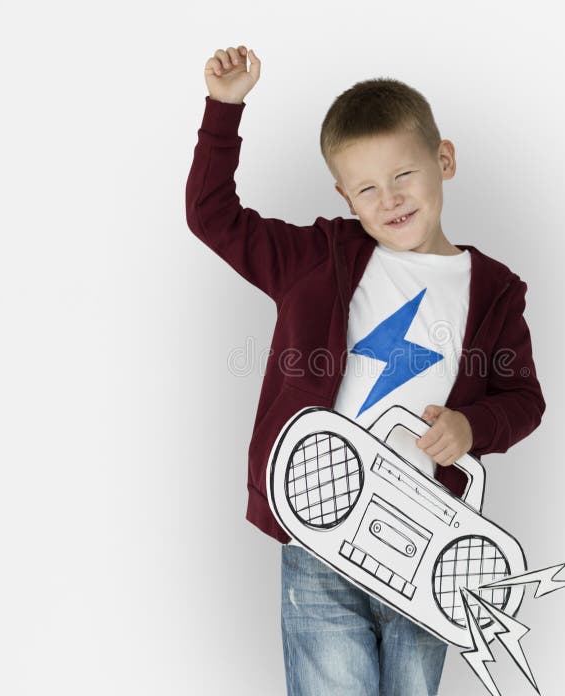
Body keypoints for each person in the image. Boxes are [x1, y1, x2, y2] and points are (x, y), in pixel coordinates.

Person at [185, 43, 546, 696]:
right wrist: (223, 109)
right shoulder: (315, 257)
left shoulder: (495, 290)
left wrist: (471, 425)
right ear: (344, 195)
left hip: (427, 543)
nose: (390, 200)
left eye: (404, 175)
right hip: (319, 528)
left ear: (445, 159)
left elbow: (524, 399)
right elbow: (212, 217)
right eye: (367, 188)